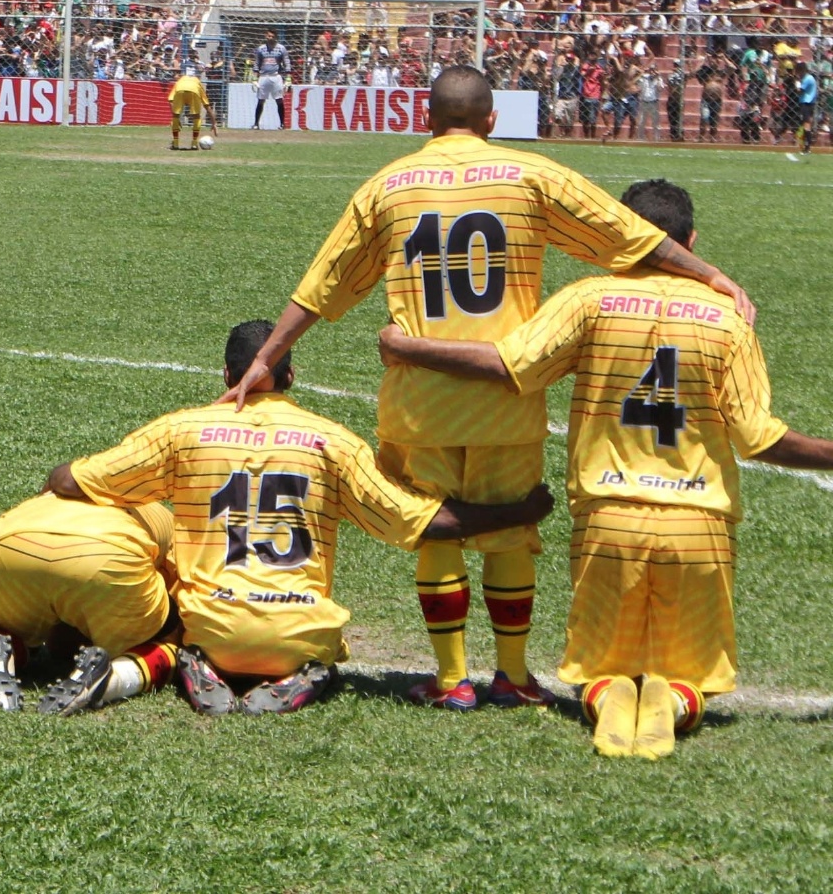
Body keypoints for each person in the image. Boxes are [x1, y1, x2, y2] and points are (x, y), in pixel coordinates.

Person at [224, 66, 753, 711]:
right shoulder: (531, 174)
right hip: (506, 396)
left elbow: (321, 288)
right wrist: (712, 274)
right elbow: (630, 235)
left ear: (426, 118)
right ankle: (512, 675)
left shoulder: (387, 186)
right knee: (510, 536)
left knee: (436, 532)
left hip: (419, 402)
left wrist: (266, 361)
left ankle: (450, 681)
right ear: (492, 120)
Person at [378, 179, 833, 757]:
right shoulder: (728, 318)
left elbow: (505, 365)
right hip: (699, 528)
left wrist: (406, 346)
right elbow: (759, 438)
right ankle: (672, 701)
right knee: (695, 675)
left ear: (623, 236)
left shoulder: (589, 299)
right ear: (690, 242)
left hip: (607, 520)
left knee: (595, 666)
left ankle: (608, 691)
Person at [49, 320, 556, 716]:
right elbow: (428, 524)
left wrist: (62, 475)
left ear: (227, 376)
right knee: (319, 646)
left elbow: (72, 480)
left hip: (211, 627)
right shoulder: (332, 441)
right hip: (300, 632)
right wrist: (522, 510)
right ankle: (306, 673)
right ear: (291, 377)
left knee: (169, 611)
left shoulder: (183, 431)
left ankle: (200, 666)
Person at [0, 495, 181, 714]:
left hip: (12, 541)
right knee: (173, 643)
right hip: (106, 554)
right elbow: (184, 611)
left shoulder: (60, 488)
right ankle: (110, 680)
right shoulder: (171, 522)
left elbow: (60, 644)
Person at [168, 70, 215, 151]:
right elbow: (207, 106)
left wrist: (176, 117)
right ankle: (194, 143)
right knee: (196, 116)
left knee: (175, 116)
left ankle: (175, 143)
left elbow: (170, 101)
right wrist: (214, 123)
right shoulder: (197, 82)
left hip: (180, 90)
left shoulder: (179, 81)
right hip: (194, 91)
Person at [251, 30, 289, 129]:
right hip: (263, 77)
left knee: (279, 100)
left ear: (275, 37)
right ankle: (256, 124)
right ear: (265, 36)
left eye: (272, 36)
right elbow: (257, 63)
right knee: (260, 100)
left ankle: (282, 124)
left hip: (276, 76)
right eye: (268, 36)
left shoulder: (281, 48)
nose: (270, 38)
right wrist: (254, 78)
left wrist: (288, 78)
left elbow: (286, 63)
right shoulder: (261, 49)